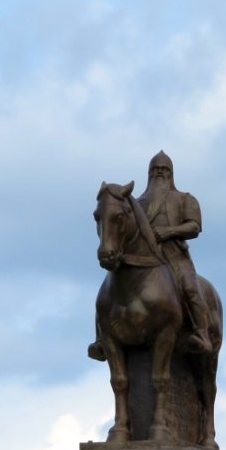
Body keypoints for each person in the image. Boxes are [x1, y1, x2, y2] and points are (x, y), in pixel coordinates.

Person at [88, 150, 212, 360]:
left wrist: (169, 231)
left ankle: (202, 333)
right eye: (155, 170)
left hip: (173, 255)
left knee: (190, 288)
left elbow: (194, 226)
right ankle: (101, 340)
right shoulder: (136, 202)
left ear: (171, 174)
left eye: (164, 170)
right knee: (108, 289)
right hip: (139, 258)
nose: (159, 173)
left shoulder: (184, 199)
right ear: (149, 174)